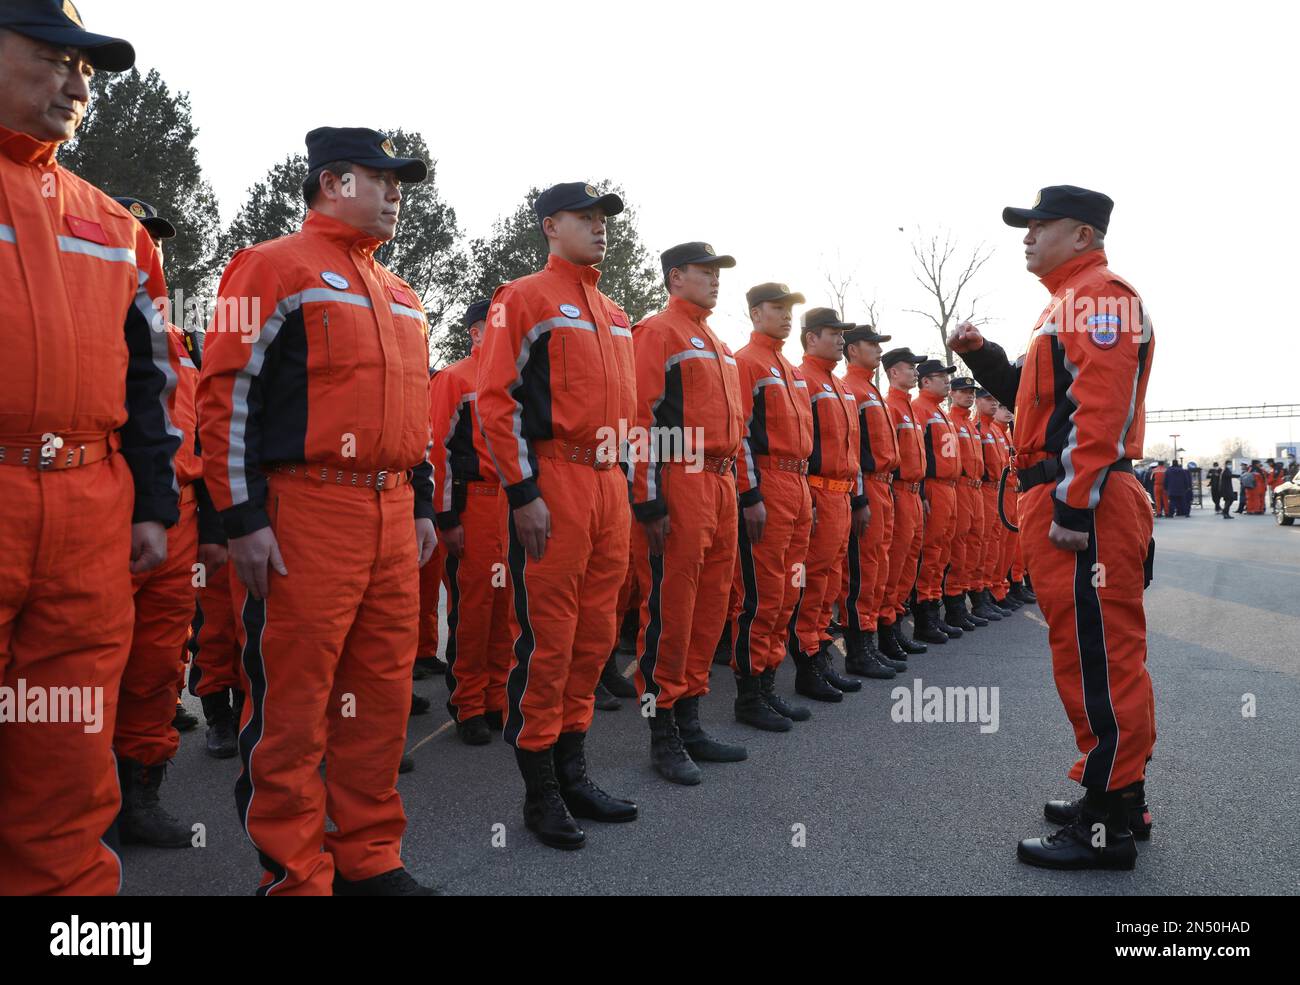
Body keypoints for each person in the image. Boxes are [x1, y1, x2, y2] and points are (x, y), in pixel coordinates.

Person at [199, 127, 438, 895]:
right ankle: (295, 875)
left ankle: (370, 858)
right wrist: (239, 517)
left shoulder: (402, 294)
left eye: (399, 181)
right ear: (332, 181)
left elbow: (417, 412)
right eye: (381, 178)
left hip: (391, 514)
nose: (396, 192)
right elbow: (227, 393)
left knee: (379, 700)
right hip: (305, 512)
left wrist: (423, 501)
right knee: (293, 707)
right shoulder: (270, 266)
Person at [0, 4, 183, 895]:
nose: (76, 85)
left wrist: (154, 503)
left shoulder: (116, 226)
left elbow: (150, 381)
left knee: (67, 763)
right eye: (53, 60)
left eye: (87, 72)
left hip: (86, 518)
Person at [953, 184, 1156, 870]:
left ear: (1082, 233)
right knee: (1089, 651)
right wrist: (982, 355)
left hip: (1086, 502)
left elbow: (1098, 411)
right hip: (1075, 497)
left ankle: (1106, 826)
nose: (1027, 236)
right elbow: (1033, 402)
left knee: (1098, 656)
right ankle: (1119, 795)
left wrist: (1073, 505)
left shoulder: (1099, 295)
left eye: (1040, 225)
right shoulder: (1065, 302)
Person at [475, 181, 639, 849]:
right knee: (547, 639)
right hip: (556, 478)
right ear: (549, 224)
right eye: (585, 217)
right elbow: (494, 400)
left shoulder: (617, 313)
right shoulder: (524, 298)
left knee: (595, 636)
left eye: (604, 218)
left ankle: (574, 772)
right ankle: (539, 791)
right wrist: (522, 491)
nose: (599, 227)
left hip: (608, 482)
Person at [628, 242, 748, 785]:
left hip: (719, 483)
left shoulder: (718, 344)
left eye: (718, 272)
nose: (715, 280)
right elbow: (640, 419)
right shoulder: (659, 332)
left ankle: (691, 720)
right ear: (676, 277)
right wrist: (649, 499)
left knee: (709, 607)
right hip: (680, 478)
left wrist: (745, 492)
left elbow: (738, 429)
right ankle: (662, 732)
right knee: (671, 612)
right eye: (706, 273)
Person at [109, 197, 208, 846]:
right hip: (109, 509)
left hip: (180, 518)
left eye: (156, 237)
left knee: (158, 665)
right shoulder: (93, 322)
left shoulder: (182, 343)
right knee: (85, 670)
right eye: (138, 234)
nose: (150, 245)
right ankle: (75, 810)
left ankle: (140, 794)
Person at [729, 282, 817, 732]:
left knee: (787, 592)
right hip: (768, 481)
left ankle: (768, 683)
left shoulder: (789, 368)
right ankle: (749, 694)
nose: (785, 315)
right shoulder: (748, 362)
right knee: (761, 594)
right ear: (754, 313)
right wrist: (750, 493)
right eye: (776, 308)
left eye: (789, 309)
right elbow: (740, 432)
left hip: (797, 483)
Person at [429, 299, 514, 746]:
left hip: (511, 505)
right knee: (474, 608)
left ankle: (498, 696)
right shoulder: (455, 378)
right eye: (491, 326)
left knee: (508, 608)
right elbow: (437, 452)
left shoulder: (513, 379)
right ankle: (468, 702)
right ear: (475, 332)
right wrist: (446, 517)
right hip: (474, 504)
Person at [790, 308, 869, 700]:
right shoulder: (802, 379)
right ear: (810, 338)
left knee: (830, 578)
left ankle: (821, 654)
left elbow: (850, 449)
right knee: (812, 578)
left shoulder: (837, 386)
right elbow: (802, 444)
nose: (840, 339)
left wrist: (857, 497)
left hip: (841, 492)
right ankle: (807, 661)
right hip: (818, 490)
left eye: (842, 334)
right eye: (832, 333)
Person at [839, 325, 905, 677]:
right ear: (852, 350)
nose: (878, 350)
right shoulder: (853, 389)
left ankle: (871, 640)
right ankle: (858, 649)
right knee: (862, 569)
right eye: (872, 344)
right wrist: (859, 496)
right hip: (866, 487)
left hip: (885, 486)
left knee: (878, 564)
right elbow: (856, 450)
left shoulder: (870, 390)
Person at [877, 348, 931, 660]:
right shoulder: (892, 407)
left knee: (908, 563)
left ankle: (895, 625)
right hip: (896, 490)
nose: (914, 372)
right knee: (893, 563)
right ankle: (886, 630)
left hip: (913, 492)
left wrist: (920, 493)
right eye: (909, 368)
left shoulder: (907, 408)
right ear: (893, 373)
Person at [911, 358, 964, 644]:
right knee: (929, 552)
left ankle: (935, 610)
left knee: (942, 551)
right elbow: (915, 453)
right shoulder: (919, 409)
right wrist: (920, 491)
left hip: (950, 488)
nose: (946, 381)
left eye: (947, 376)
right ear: (925, 382)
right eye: (940, 377)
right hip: (933, 486)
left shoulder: (938, 412)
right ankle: (924, 617)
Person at [945, 377, 989, 630]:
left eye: (971, 392)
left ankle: (971, 601)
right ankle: (954, 606)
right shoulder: (951, 420)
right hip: (959, 487)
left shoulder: (972, 425)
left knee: (977, 544)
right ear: (953, 394)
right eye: (963, 392)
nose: (968, 396)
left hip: (976, 489)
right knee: (958, 546)